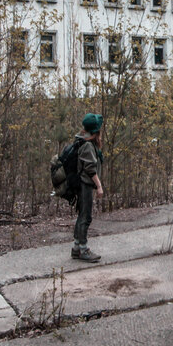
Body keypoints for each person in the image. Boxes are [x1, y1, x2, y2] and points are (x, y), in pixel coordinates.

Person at [71, 112, 105, 263]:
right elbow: (90, 169)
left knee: (82, 215)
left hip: (82, 183)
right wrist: (99, 186)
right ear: (96, 131)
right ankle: (83, 249)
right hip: (85, 184)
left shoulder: (82, 141)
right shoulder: (87, 145)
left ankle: (77, 247)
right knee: (86, 216)